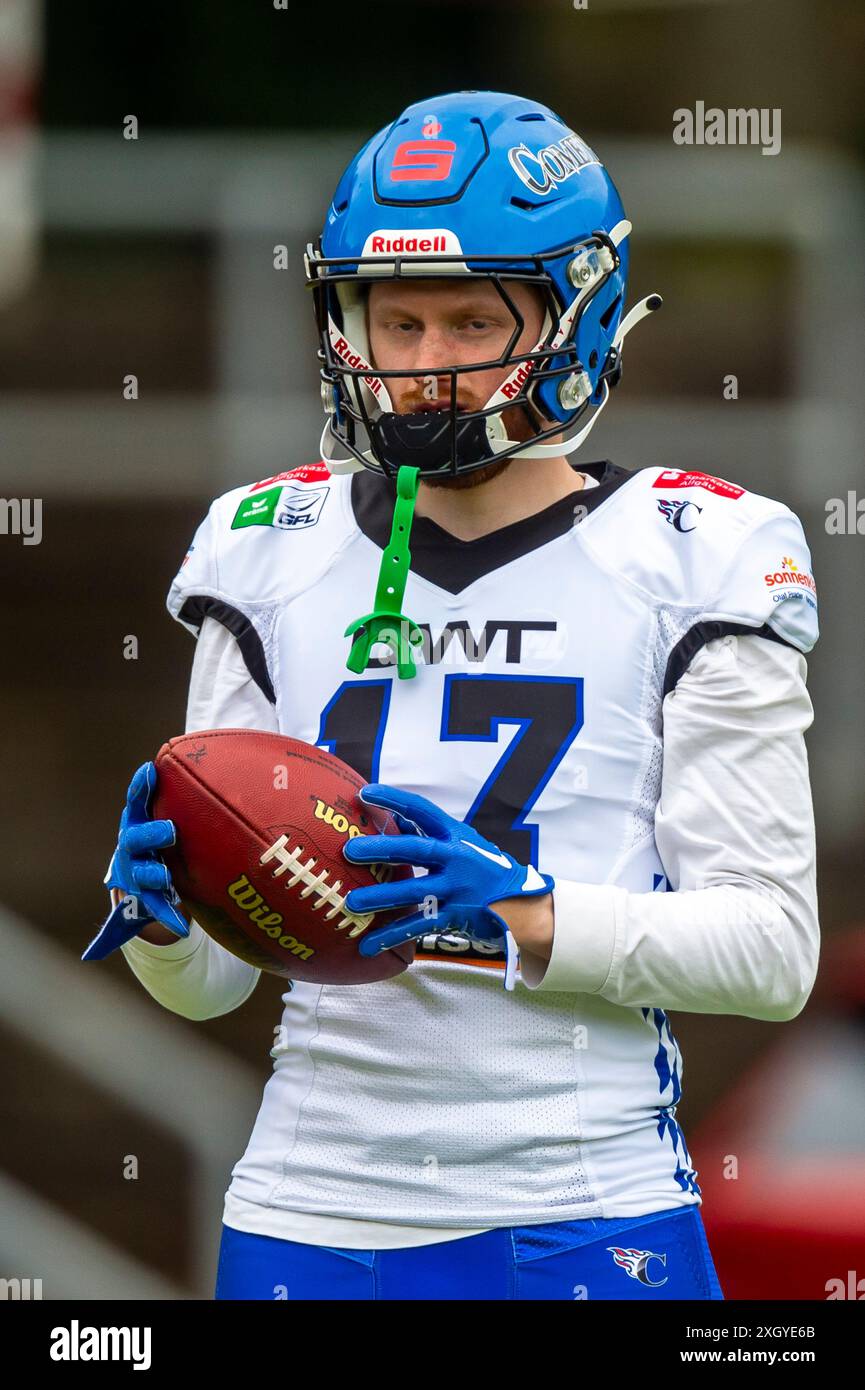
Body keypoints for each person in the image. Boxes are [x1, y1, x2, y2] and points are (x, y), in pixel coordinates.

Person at [83, 90, 820, 1301]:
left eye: (472, 319)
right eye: (397, 320)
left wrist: (525, 914)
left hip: (583, 1208)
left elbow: (769, 949)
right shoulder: (266, 544)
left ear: (573, 314)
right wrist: (168, 919)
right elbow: (216, 985)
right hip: (312, 1210)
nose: (425, 367)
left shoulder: (702, 550)